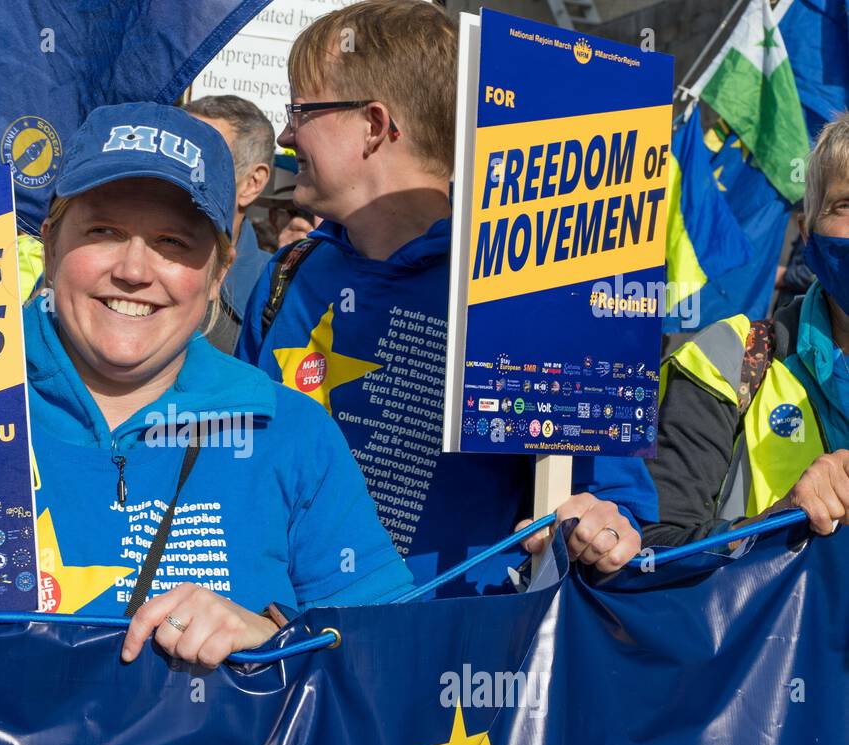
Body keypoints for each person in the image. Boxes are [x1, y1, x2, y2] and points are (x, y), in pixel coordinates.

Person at [236, 0, 657, 594]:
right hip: (288, 658)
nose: (284, 133)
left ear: (376, 125)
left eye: (301, 109)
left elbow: (615, 505)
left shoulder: (528, 288)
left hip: (450, 660)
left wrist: (604, 527)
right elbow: (224, 467)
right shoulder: (289, 273)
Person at [28, 102, 416, 666]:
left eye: (174, 243)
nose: (135, 270)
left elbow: (394, 655)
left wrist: (271, 638)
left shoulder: (289, 430)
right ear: (51, 245)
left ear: (218, 274)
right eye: (104, 231)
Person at [643, 113, 849, 546]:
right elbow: (652, 552)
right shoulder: (729, 358)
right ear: (806, 234)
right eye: (845, 205)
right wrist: (784, 522)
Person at [184, 95, 274, 352]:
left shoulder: (281, 295)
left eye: (200, 164)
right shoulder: (129, 267)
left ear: (252, 183)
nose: (178, 174)